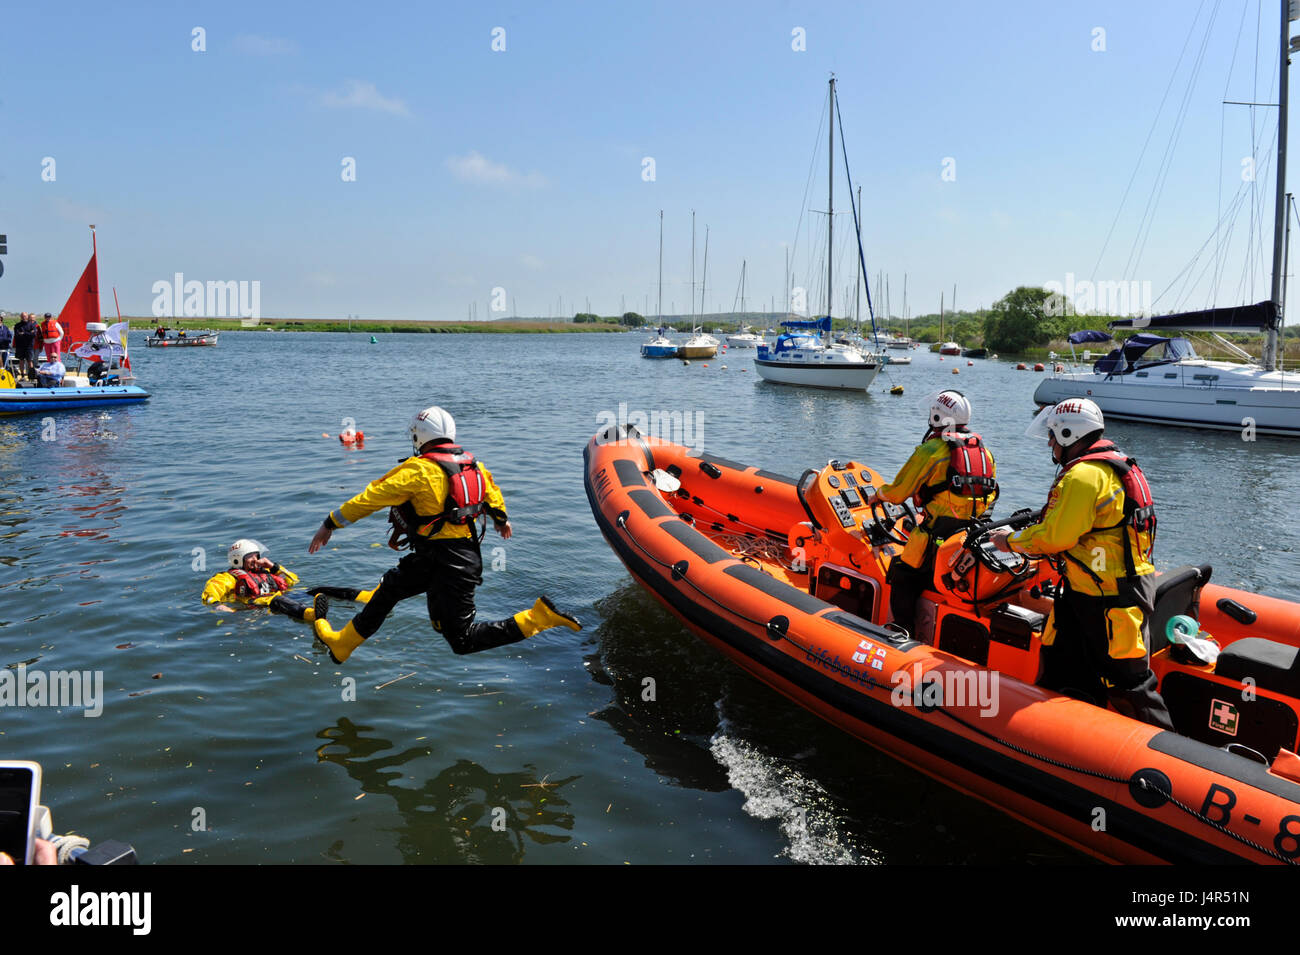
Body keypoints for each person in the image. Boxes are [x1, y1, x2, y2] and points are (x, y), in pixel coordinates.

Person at [307, 405, 581, 663]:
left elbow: (370, 498)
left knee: (462, 640)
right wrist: (501, 519)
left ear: (418, 436)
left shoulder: (418, 471)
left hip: (450, 564)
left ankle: (539, 618)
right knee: (390, 588)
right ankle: (344, 643)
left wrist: (330, 523)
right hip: (446, 555)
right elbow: (493, 492)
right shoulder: (473, 465)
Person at [990, 398, 1174, 730]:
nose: (1049, 443)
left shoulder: (1083, 476)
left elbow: (1055, 538)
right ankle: (1054, 734)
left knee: (1128, 685)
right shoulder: (1114, 465)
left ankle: (1166, 757)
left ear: (1067, 432)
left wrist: (1010, 542)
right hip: (1084, 590)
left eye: (1052, 436)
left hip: (1109, 596)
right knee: (1060, 663)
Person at [876, 390, 998, 637]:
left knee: (901, 572)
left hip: (936, 536)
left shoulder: (931, 450)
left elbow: (898, 493)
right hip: (969, 536)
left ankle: (901, 631)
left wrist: (878, 494)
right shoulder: (983, 451)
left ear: (936, 415)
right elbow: (991, 492)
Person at [202, 538, 329, 624]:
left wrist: (274, 567)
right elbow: (211, 593)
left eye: (256, 555)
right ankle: (312, 614)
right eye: (250, 556)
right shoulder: (228, 577)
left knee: (318, 590)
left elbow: (293, 581)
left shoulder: (265, 571)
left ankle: (349, 594)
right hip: (259, 604)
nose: (255, 559)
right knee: (277, 600)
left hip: (280, 597)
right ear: (238, 559)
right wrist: (217, 605)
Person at [13, 314, 38, 381]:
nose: (24, 317)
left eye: (25, 316)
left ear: (27, 317)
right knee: (21, 360)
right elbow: (17, 335)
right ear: (21, 317)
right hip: (20, 346)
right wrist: (28, 333)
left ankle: (32, 376)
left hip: (29, 346)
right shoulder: (17, 325)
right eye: (23, 316)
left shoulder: (32, 325)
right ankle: (22, 375)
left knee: (30, 361)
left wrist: (24, 333)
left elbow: (34, 334)